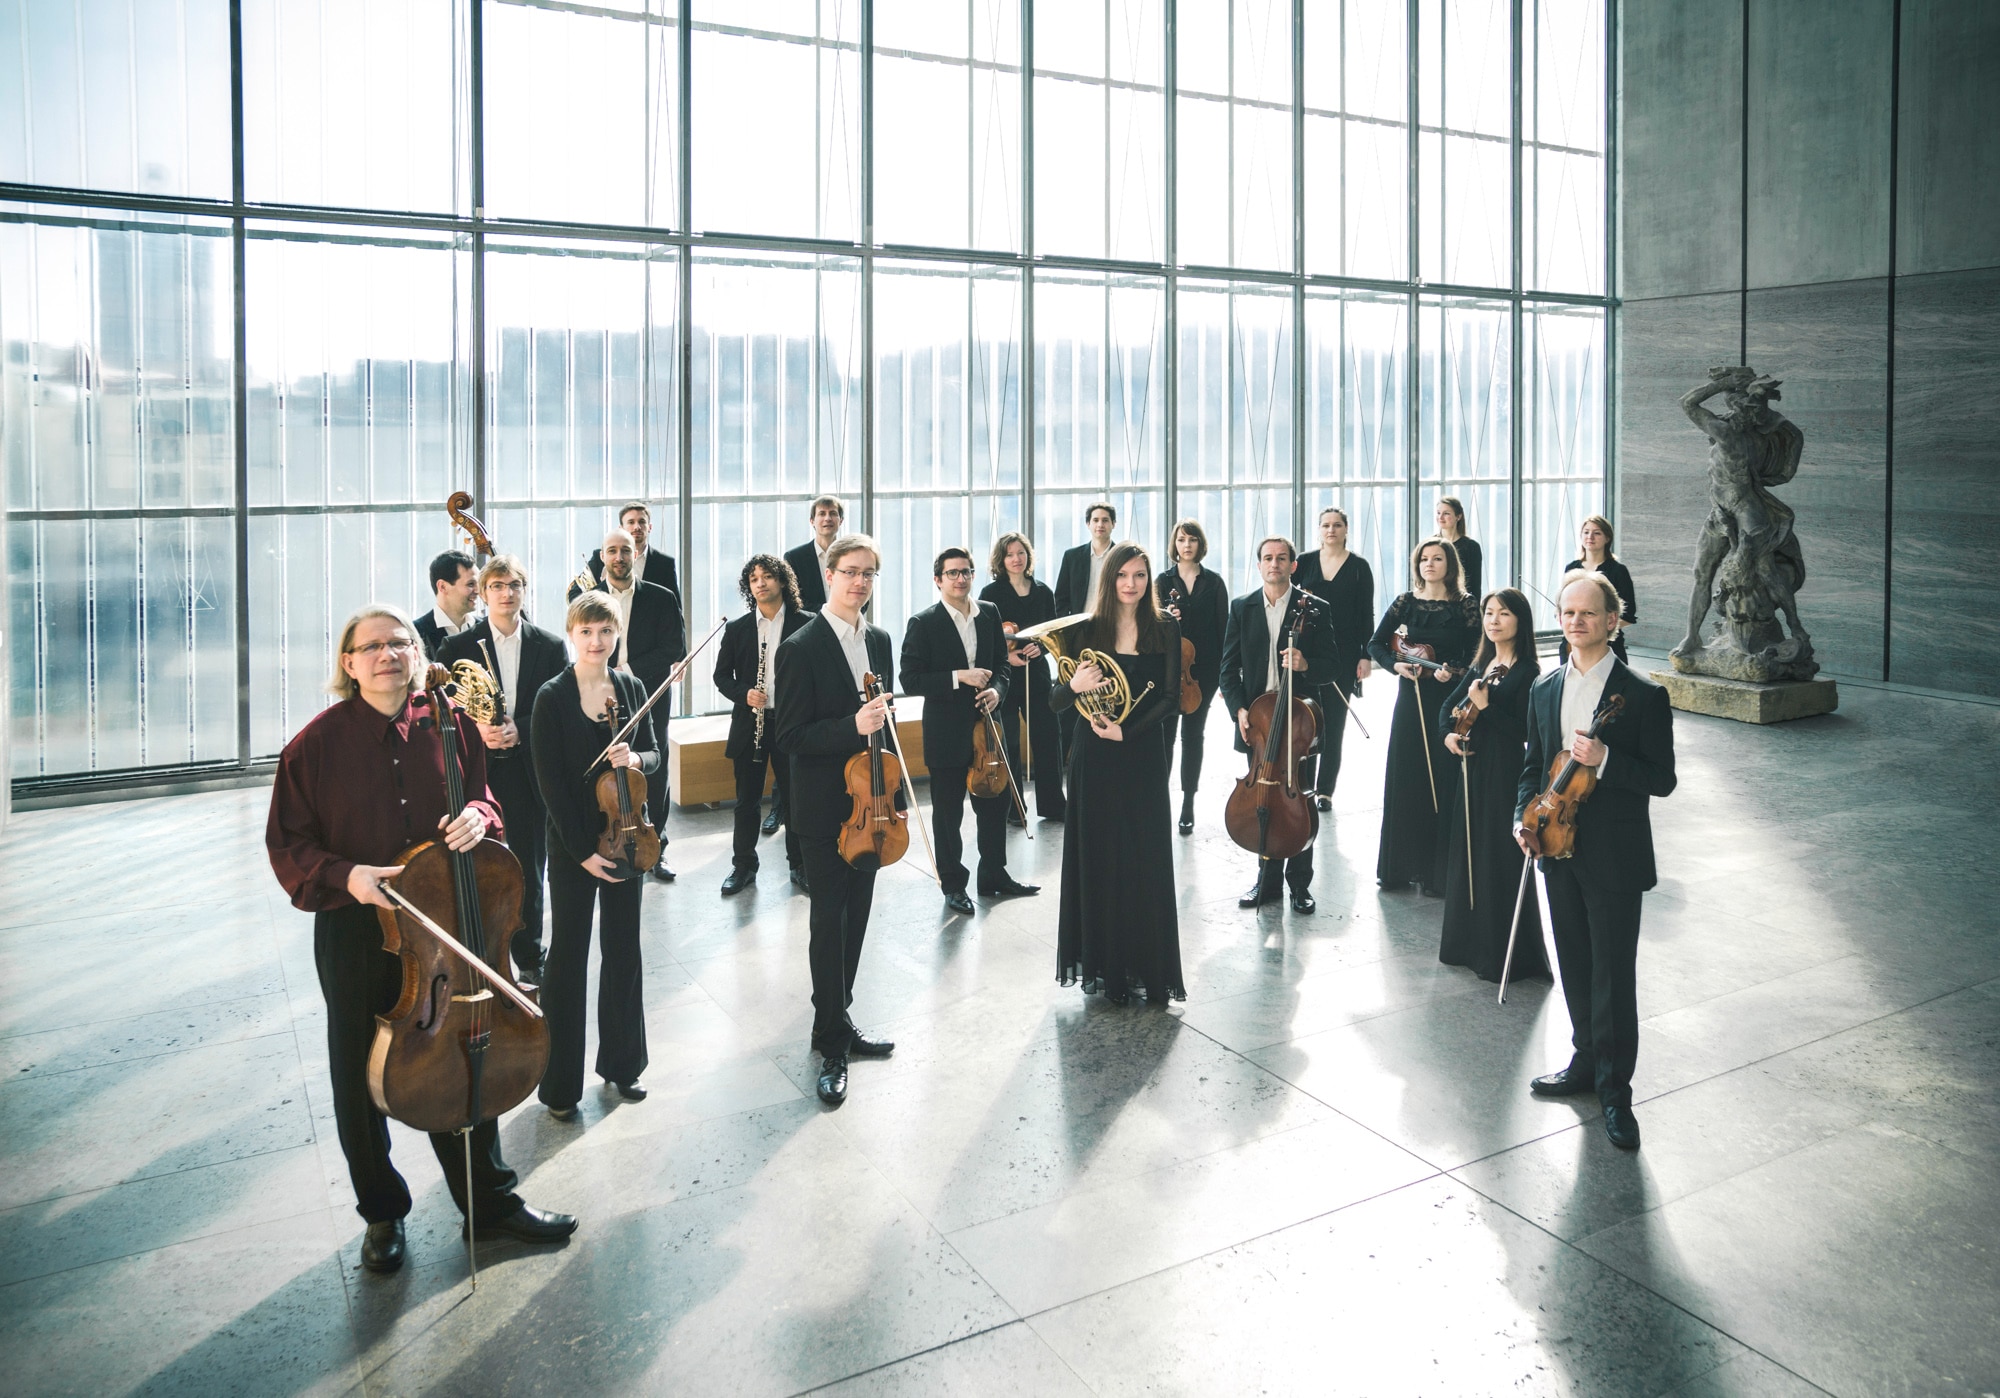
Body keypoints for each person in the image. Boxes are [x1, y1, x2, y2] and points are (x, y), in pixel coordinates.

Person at [266, 605, 577, 1275]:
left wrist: (477, 814)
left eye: (399, 642)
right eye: (370, 646)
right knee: (359, 1074)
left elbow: (488, 799)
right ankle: (382, 1213)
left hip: (446, 925)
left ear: (415, 653)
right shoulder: (315, 746)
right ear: (348, 664)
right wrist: (348, 877)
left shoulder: (452, 723)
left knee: (463, 1054)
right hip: (360, 930)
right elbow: (288, 843)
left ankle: (488, 1204)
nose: (387, 653)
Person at [1516, 570, 1677, 1151]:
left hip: (1614, 855)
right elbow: (1533, 766)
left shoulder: (1643, 694)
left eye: (1588, 613)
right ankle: (1585, 1063)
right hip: (1556, 848)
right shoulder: (1544, 688)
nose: (1576, 622)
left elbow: (1663, 780)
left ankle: (1616, 1092)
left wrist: (1607, 759)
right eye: (1567, 613)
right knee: (1576, 965)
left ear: (1613, 621)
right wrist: (1522, 817)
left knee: (1613, 974)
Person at [774, 534, 901, 1108]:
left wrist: (889, 780)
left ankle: (840, 1015)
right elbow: (791, 736)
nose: (859, 583)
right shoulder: (800, 646)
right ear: (829, 574)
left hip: (871, 808)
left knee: (857, 917)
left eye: (869, 574)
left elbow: (884, 723)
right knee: (829, 922)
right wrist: (855, 723)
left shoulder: (878, 639)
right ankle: (829, 1043)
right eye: (850, 572)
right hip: (825, 812)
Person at [530, 592, 657, 1119]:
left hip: (627, 835)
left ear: (617, 633)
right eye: (587, 631)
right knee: (567, 958)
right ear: (571, 633)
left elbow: (653, 753)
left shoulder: (630, 687)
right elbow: (550, 784)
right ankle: (560, 1086)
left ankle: (623, 1066)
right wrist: (582, 851)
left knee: (624, 949)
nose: (597, 641)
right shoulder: (551, 696)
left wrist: (637, 756)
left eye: (606, 631)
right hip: (574, 845)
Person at [1052, 542, 1185, 1005]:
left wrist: (1126, 734)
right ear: (1108, 580)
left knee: (1143, 857)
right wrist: (1074, 685)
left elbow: (1172, 699)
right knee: (1100, 858)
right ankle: (1106, 968)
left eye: (1140, 576)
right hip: (1094, 758)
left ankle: (1145, 967)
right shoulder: (1086, 628)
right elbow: (1055, 702)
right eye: (1123, 575)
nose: (1131, 584)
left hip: (1142, 753)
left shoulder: (1164, 627)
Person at [438, 555, 568, 982]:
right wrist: (478, 726)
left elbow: (559, 709)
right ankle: (482, 956)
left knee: (530, 866)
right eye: (496, 586)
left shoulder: (549, 645)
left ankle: (529, 956)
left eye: (514, 585)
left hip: (528, 768)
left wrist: (521, 727)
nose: (506, 594)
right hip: (480, 770)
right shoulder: (458, 647)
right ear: (484, 593)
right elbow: (445, 706)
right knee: (480, 864)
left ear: (523, 591)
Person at [902, 547, 1038, 914]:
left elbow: (1001, 666)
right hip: (945, 731)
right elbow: (909, 679)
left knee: (995, 803)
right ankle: (953, 885)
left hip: (988, 727)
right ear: (938, 580)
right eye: (952, 573)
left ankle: (994, 876)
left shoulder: (989, 613)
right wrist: (957, 677)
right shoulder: (923, 621)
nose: (960, 578)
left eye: (966, 572)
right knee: (948, 814)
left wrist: (998, 690)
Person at [1219, 537, 1339, 914]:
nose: (1274, 564)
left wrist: (1305, 665)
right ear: (1259, 566)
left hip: (1301, 723)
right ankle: (1265, 882)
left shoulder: (1314, 608)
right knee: (1264, 800)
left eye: (1281, 558)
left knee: (1298, 802)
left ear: (1293, 566)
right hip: (1259, 723)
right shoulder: (1242, 607)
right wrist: (1239, 710)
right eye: (1268, 558)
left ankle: (1299, 884)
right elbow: (1227, 669)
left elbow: (1332, 666)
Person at [1438, 589, 1547, 983]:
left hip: (1505, 772)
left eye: (1503, 613)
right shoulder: (1483, 663)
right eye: (1488, 613)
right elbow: (1446, 709)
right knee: (1469, 852)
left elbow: (1525, 732)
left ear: (1520, 620)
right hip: (1472, 768)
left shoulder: (1529, 673)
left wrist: (1486, 708)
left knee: (1498, 857)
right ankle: (1466, 944)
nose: (1494, 620)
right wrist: (1449, 735)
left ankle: (1503, 953)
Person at [573, 527, 687, 882]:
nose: (619, 557)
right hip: (596, 691)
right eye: (611, 551)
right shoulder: (586, 598)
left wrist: (628, 671)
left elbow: (674, 649)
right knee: (604, 767)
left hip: (648, 692)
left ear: (635, 553)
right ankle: (609, 841)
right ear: (603, 557)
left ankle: (657, 846)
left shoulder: (662, 596)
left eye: (625, 550)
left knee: (654, 766)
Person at [1370, 538, 1480, 895]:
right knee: (1408, 773)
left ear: (1450, 565)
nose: (1429, 564)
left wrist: (1459, 672)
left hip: (1448, 697)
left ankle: (1438, 872)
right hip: (1412, 696)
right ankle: (1401, 867)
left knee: (1443, 776)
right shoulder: (1406, 602)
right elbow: (1375, 644)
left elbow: (1479, 653)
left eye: (1437, 558)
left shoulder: (1465, 605)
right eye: (1423, 559)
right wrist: (1396, 665)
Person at [714, 555, 812, 896]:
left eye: (767, 576)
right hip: (750, 725)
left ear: (782, 581)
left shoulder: (808, 623)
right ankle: (743, 866)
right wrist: (745, 694)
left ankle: (799, 865)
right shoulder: (738, 628)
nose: (760, 583)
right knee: (747, 802)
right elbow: (721, 677)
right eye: (754, 578)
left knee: (798, 800)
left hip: (792, 726)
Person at [979, 532, 1066, 823]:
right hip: (1006, 677)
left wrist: (1039, 648)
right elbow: (986, 638)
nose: (1016, 559)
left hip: (1037, 674)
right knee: (1010, 743)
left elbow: (1051, 632)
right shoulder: (991, 594)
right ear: (1001, 560)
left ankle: (1054, 804)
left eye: (1021, 553)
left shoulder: (1043, 591)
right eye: (1010, 554)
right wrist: (1008, 656)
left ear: (1028, 556)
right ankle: (1014, 808)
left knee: (1048, 737)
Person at [1292, 507, 1376, 810]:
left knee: (1334, 724)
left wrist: (1365, 656)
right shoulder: (1304, 563)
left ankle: (1325, 791)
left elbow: (1366, 614)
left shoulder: (1358, 567)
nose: (1331, 530)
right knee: (1307, 722)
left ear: (1346, 529)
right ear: (1319, 529)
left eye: (1337, 525)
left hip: (1344, 654)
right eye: (1326, 525)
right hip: (1310, 654)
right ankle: (1305, 787)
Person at [1155, 519, 1229, 836]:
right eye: (1182, 540)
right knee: (1166, 737)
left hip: (1204, 671)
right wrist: (1165, 619)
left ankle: (1188, 802)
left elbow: (1225, 629)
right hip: (1169, 670)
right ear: (1175, 544)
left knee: (1193, 736)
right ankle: (1160, 801)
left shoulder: (1213, 582)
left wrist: (1227, 675)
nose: (1187, 545)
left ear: (1200, 545)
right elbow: (1148, 627)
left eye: (1192, 540)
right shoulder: (1160, 581)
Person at [1053, 501, 1119, 767]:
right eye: (1095, 520)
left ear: (1113, 524)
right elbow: (1061, 598)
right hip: (1079, 638)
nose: (1100, 524)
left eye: (1105, 520)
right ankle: (1068, 768)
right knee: (1070, 704)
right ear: (1088, 525)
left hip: (1114, 635)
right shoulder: (1073, 556)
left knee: (1107, 697)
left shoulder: (1123, 555)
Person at [1558, 514, 1638, 666]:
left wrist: (1598, 628)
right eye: (1586, 532)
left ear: (1607, 538)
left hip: (1610, 644)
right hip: (1572, 646)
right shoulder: (1571, 568)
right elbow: (1562, 606)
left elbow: (1629, 615)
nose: (1590, 537)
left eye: (1597, 533)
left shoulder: (1618, 571)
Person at [579, 501, 682, 602]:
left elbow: (674, 606)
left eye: (642, 522)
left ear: (650, 527)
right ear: (621, 528)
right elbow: (575, 593)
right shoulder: (600, 556)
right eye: (631, 522)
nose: (637, 527)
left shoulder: (664, 563)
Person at [784, 494, 848, 614]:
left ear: (841, 521)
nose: (827, 518)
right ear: (812, 521)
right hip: (811, 626)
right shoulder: (795, 558)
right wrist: (831, 614)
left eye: (833, 513)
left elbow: (863, 594)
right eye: (822, 513)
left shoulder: (851, 555)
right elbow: (794, 599)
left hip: (849, 624)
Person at [413, 550, 478, 659]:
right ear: (443, 587)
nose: (478, 590)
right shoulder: (416, 633)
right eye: (471, 584)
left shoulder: (485, 627)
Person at [1435, 496, 1482, 600]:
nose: (1441, 517)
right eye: (1438, 513)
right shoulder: (1431, 545)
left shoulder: (1471, 547)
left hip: (1460, 602)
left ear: (1458, 516)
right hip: (1435, 601)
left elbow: (1475, 584)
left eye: (1446, 513)